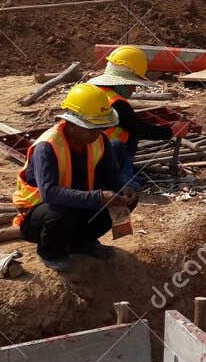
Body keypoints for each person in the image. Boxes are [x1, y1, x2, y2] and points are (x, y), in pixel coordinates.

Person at [12, 84, 136, 272]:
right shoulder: (47, 147)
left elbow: (111, 173)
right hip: (38, 216)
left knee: (123, 201)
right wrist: (98, 197)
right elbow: (50, 194)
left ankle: (82, 242)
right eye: (92, 129)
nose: (98, 133)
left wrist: (123, 188)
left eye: (100, 128)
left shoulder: (99, 141)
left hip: (76, 205)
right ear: (72, 124)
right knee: (61, 212)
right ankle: (50, 252)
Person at [90, 45, 193, 188]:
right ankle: (119, 179)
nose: (134, 89)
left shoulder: (95, 91)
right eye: (132, 84)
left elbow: (133, 125)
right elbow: (139, 129)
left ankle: (124, 173)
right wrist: (172, 131)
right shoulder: (117, 103)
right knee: (123, 143)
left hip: (95, 153)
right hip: (103, 157)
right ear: (121, 82)